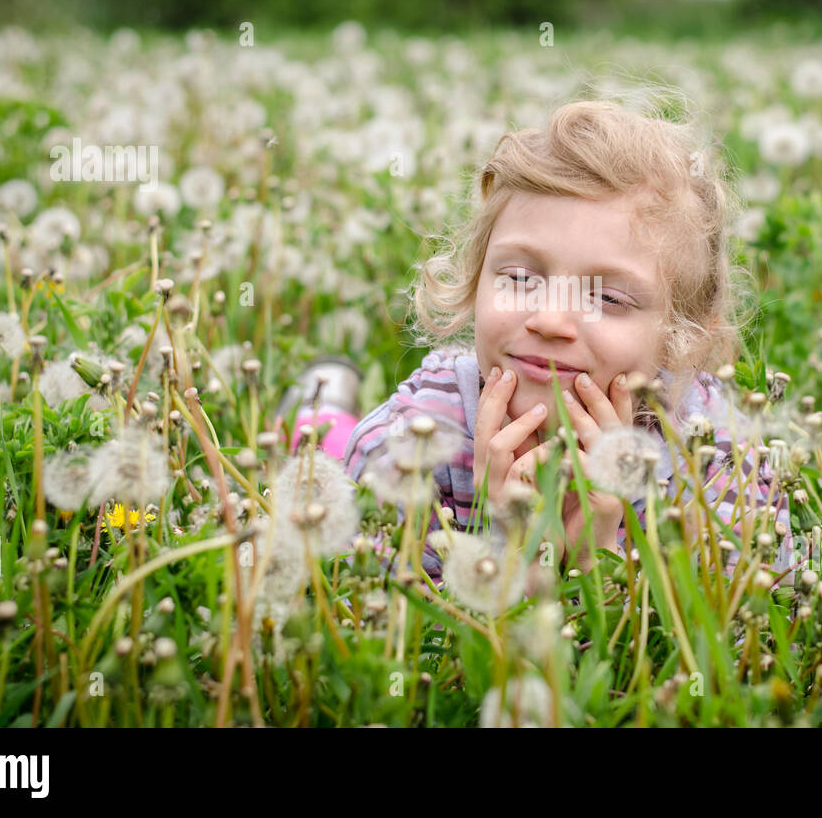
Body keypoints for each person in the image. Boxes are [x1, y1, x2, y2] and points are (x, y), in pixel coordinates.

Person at [325, 97, 793, 588]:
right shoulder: (406, 449)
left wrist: (596, 566)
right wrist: (513, 547)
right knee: (333, 447)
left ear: (685, 341)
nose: (550, 320)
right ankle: (323, 414)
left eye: (609, 297)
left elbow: (741, 643)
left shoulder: (718, 464)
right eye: (521, 277)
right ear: (475, 279)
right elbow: (394, 638)